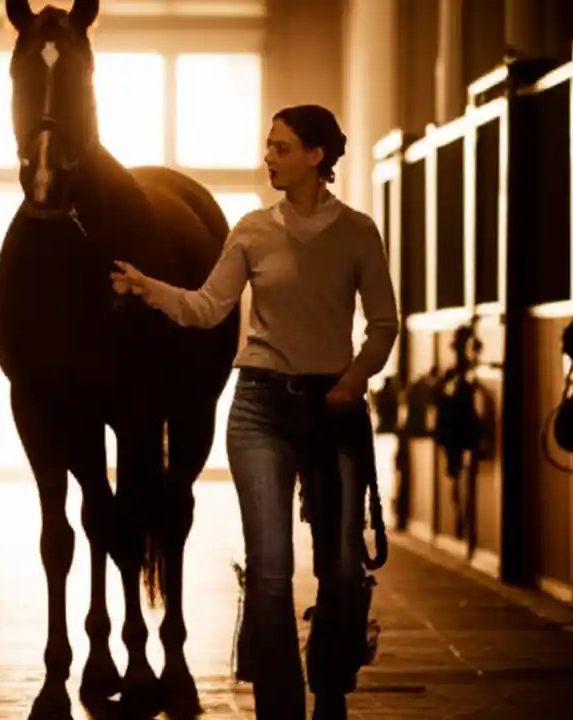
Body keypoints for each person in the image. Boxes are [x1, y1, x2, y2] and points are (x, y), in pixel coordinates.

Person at [110, 105, 399, 719]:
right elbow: (207, 306)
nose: (269, 157)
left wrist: (354, 380)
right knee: (270, 570)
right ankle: (280, 709)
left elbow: (382, 324)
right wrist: (147, 286)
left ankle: (331, 691)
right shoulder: (250, 230)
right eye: (269, 147)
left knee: (343, 570)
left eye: (282, 148)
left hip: (335, 405)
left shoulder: (357, 233)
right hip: (261, 406)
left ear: (318, 156)